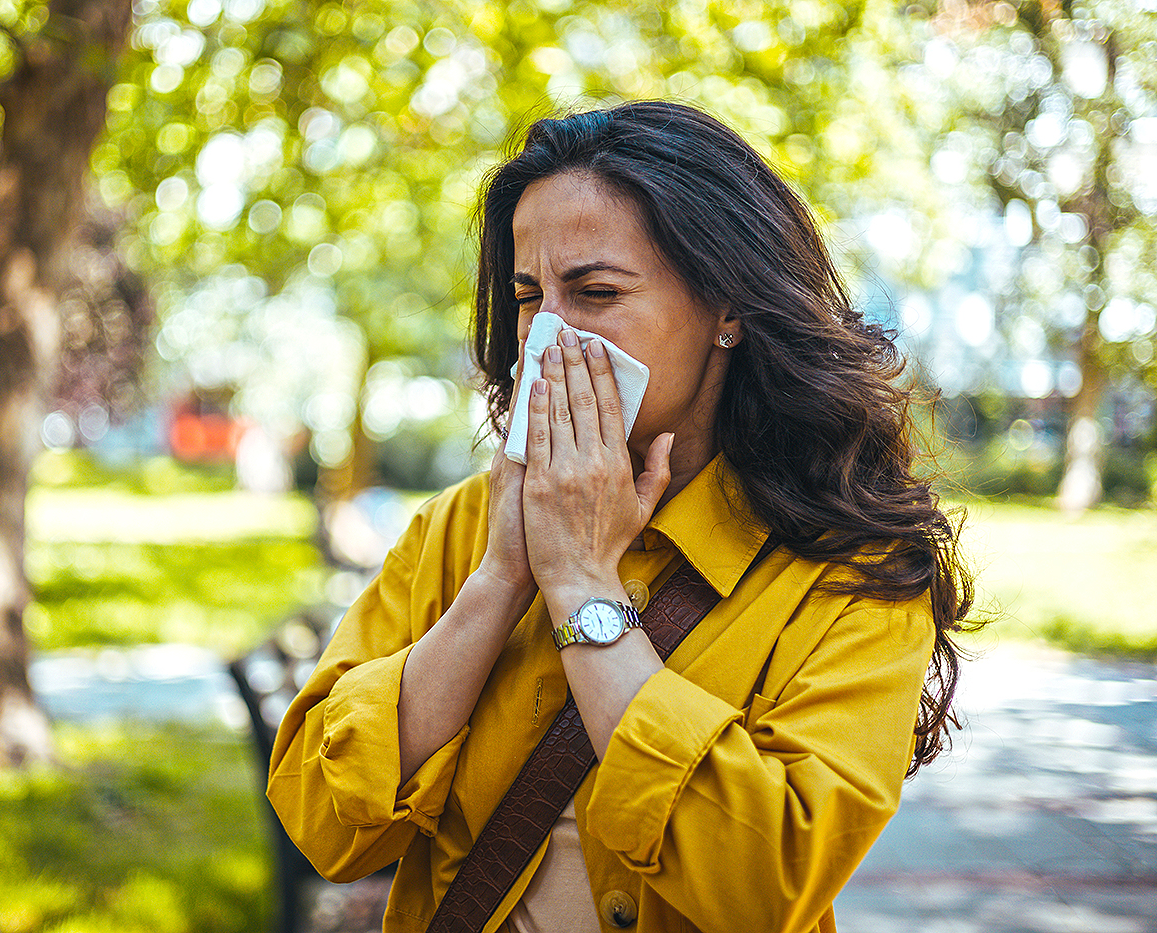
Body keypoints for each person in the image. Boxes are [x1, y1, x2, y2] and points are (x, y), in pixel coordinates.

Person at [268, 100, 973, 933]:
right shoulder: (460, 527)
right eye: (530, 296)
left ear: (730, 310)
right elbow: (320, 819)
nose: (551, 335)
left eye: (597, 291)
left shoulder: (853, 572)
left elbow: (765, 883)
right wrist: (500, 579)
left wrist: (579, 585)